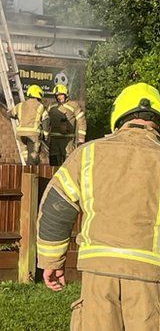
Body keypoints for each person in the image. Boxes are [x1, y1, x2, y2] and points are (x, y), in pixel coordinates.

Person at [37, 82, 160, 329]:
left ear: (118, 116)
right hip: (152, 276)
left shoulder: (88, 154)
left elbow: (57, 206)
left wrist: (51, 262)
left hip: (98, 273)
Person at [8, 85, 50, 165]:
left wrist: (19, 117)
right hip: (33, 136)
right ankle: (32, 171)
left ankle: (26, 168)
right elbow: (46, 121)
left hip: (20, 135)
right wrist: (46, 136)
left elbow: (10, 114)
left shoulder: (20, 105)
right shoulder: (40, 106)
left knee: (25, 157)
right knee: (34, 158)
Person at [47, 84, 87, 166]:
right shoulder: (51, 106)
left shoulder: (74, 105)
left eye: (61, 95)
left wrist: (81, 139)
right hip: (54, 140)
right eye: (57, 95)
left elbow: (81, 121)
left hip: (68, 139)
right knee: (54, 163)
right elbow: (46, 121)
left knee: (68, 163)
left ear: (66, 95)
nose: (59, 97)